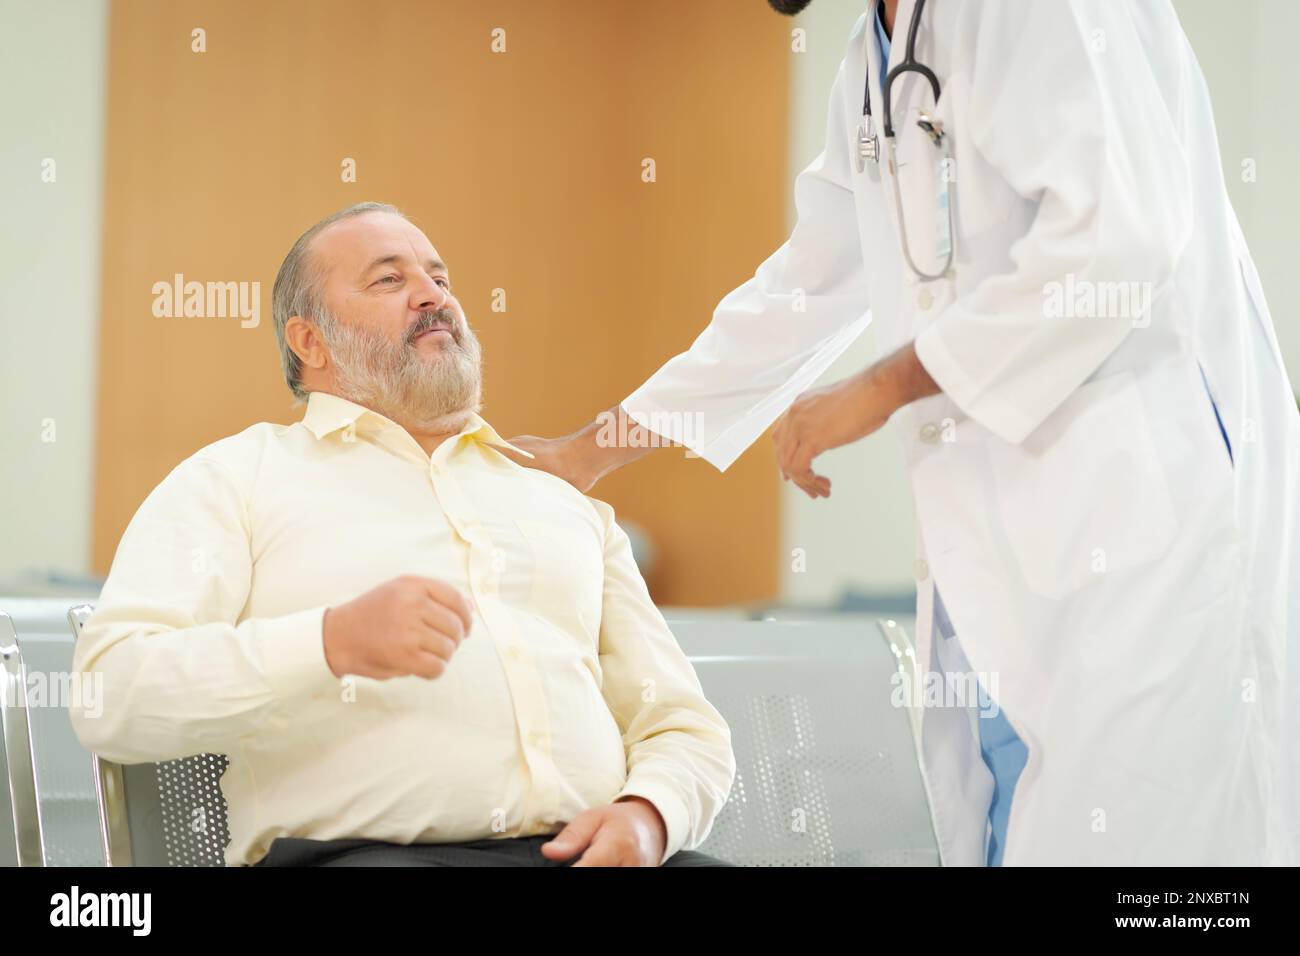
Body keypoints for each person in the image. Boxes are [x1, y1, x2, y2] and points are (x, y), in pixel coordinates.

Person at [503, 0, 1300, 866]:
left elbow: (1115, 241)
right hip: (1013, 563)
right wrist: (591, 450)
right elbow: (802, 290)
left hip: (1148, 542)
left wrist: (883, 388)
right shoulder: (878, 60)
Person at [70, 202, 735, 868]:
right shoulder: (236, 478)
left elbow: (681, 723)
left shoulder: (558, 496)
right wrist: (330, 642)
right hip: (367, 859)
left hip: (597, 853)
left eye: (440, 278)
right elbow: (111, 693)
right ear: (310, 342)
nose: (433, 295)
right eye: (389, 280)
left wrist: (650, 816)